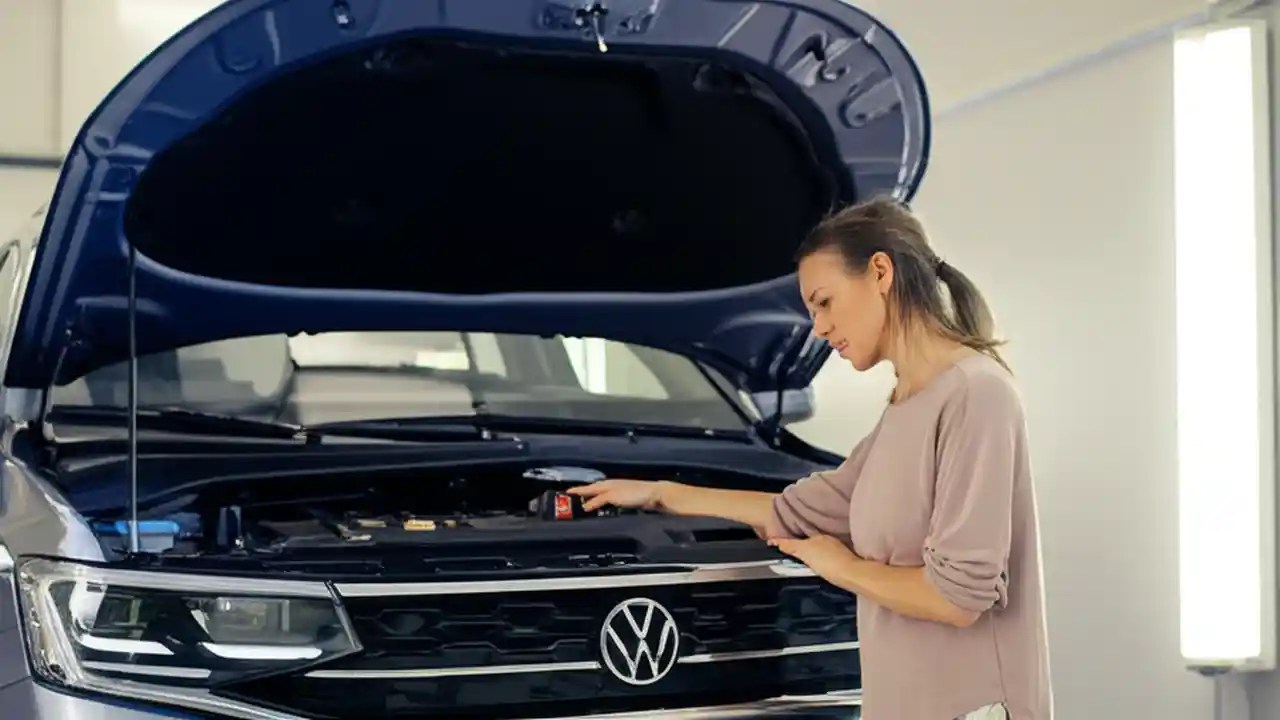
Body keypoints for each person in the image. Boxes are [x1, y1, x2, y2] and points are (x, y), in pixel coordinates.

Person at [568, 196, 1052, 720]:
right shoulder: (906, 406)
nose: (816, 328)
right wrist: (662, 493)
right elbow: (803, 509)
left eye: (824, 301)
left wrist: (839, 565)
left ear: (880, 272)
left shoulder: (976, 393)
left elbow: (956, 598)